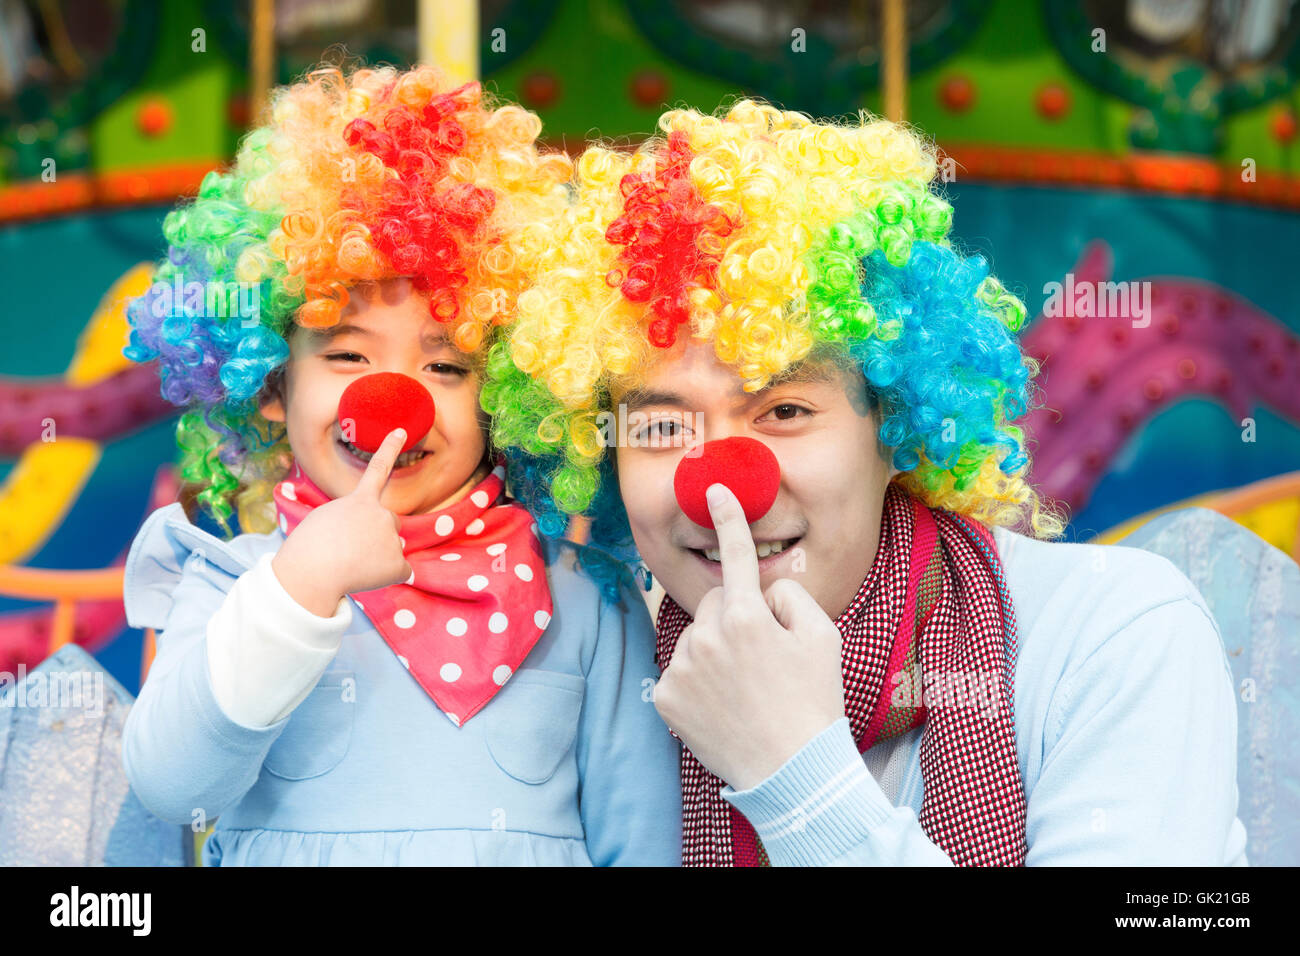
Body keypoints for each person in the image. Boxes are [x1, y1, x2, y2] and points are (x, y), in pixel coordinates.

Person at [485, 99, 1248, 865]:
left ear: (897, 430)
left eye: (784, 408)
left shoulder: (1111, 633)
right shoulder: (615, 673)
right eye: (659, 428)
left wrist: (794, 774)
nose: (720, 488)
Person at [118, 64, 680, 866]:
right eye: (347, 354)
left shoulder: (591, 601)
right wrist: (298, 593)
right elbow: (174, 788)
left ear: (511, 396)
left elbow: (646, 842)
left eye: (446, 368)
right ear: (274, 384)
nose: (395, 402)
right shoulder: (230, 583)